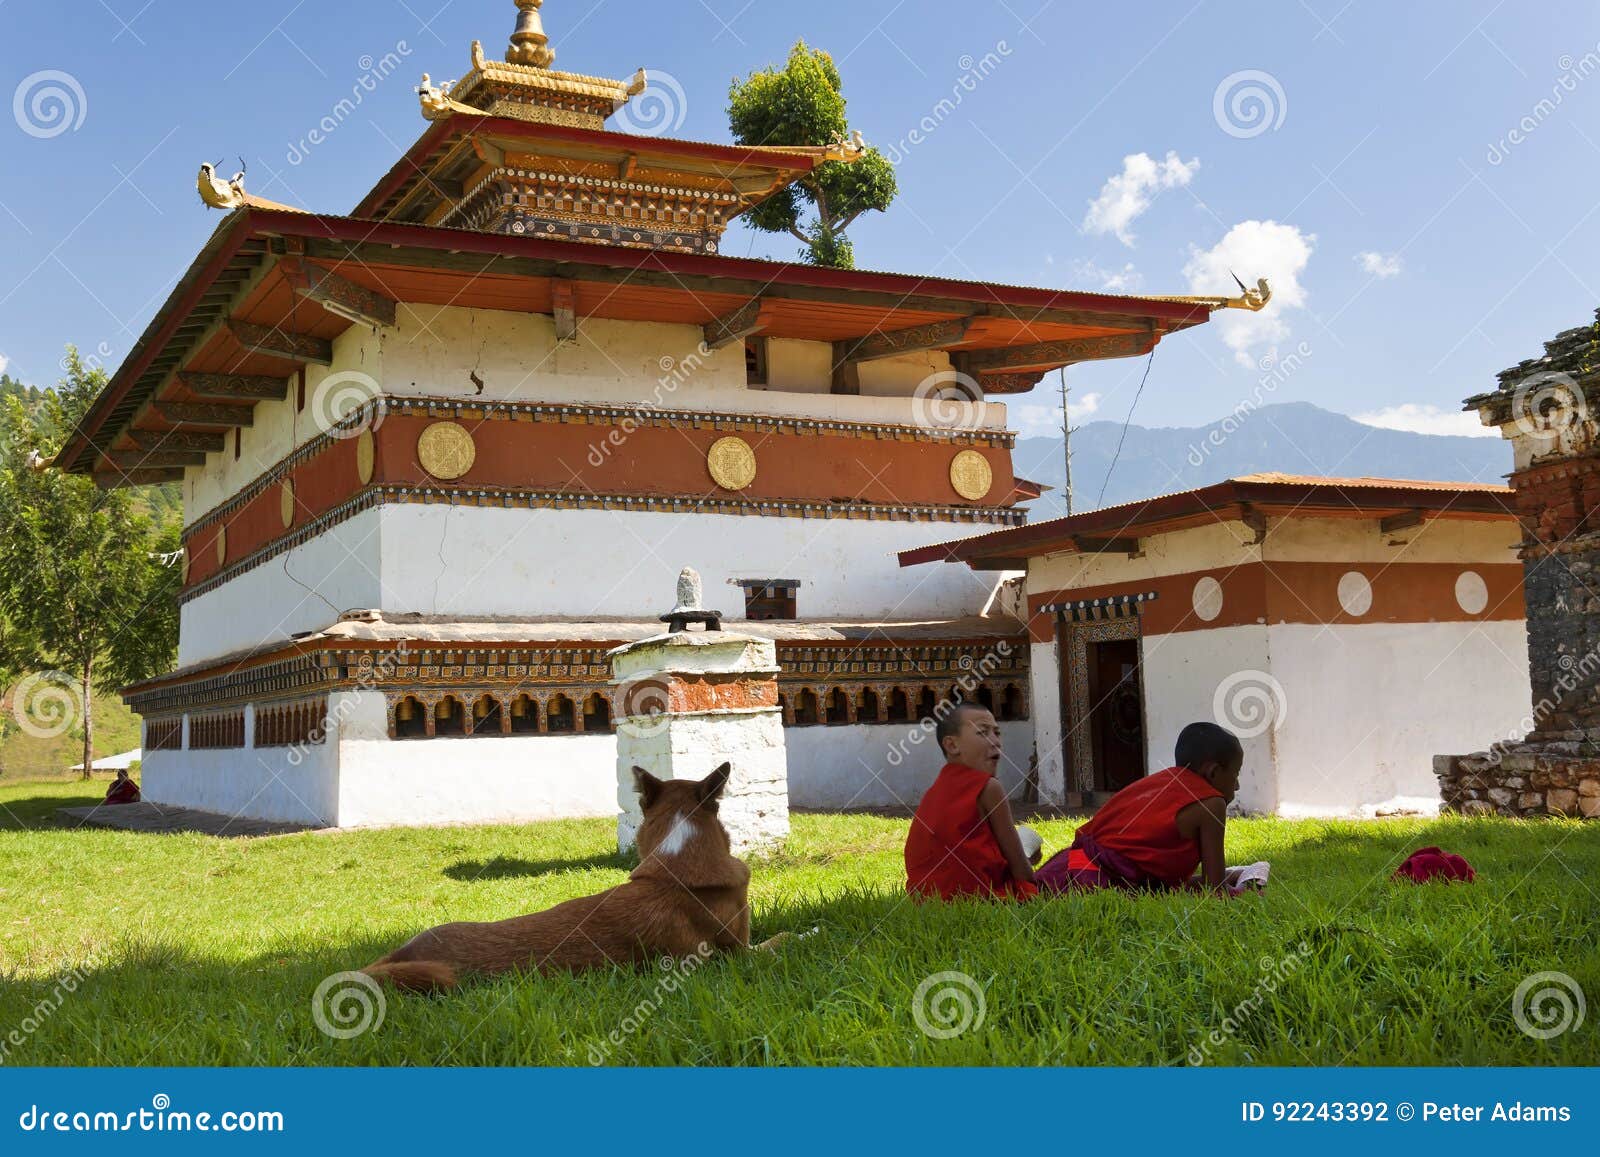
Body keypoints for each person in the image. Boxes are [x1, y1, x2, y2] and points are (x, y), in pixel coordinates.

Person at [1035, 721, 1242, 895]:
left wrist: (1230, 874)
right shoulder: (1212, 803)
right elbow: (1214, 891)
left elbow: (1160, 886)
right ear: (1213, 772)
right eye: (1236, 774)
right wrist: (1246, 886)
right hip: (1094, 882)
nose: (1237, 785)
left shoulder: (1161, 782)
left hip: (1063, 870)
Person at [905, 703, 1037, 900]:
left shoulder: (933, 792)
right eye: (982, 733)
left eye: (997, 733)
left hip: (927, 901)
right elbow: (1022, 872)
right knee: (1066, 864)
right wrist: (1028, 859)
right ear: (952, 745)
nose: (995, 742)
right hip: (983, 898)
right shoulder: (989, 788)